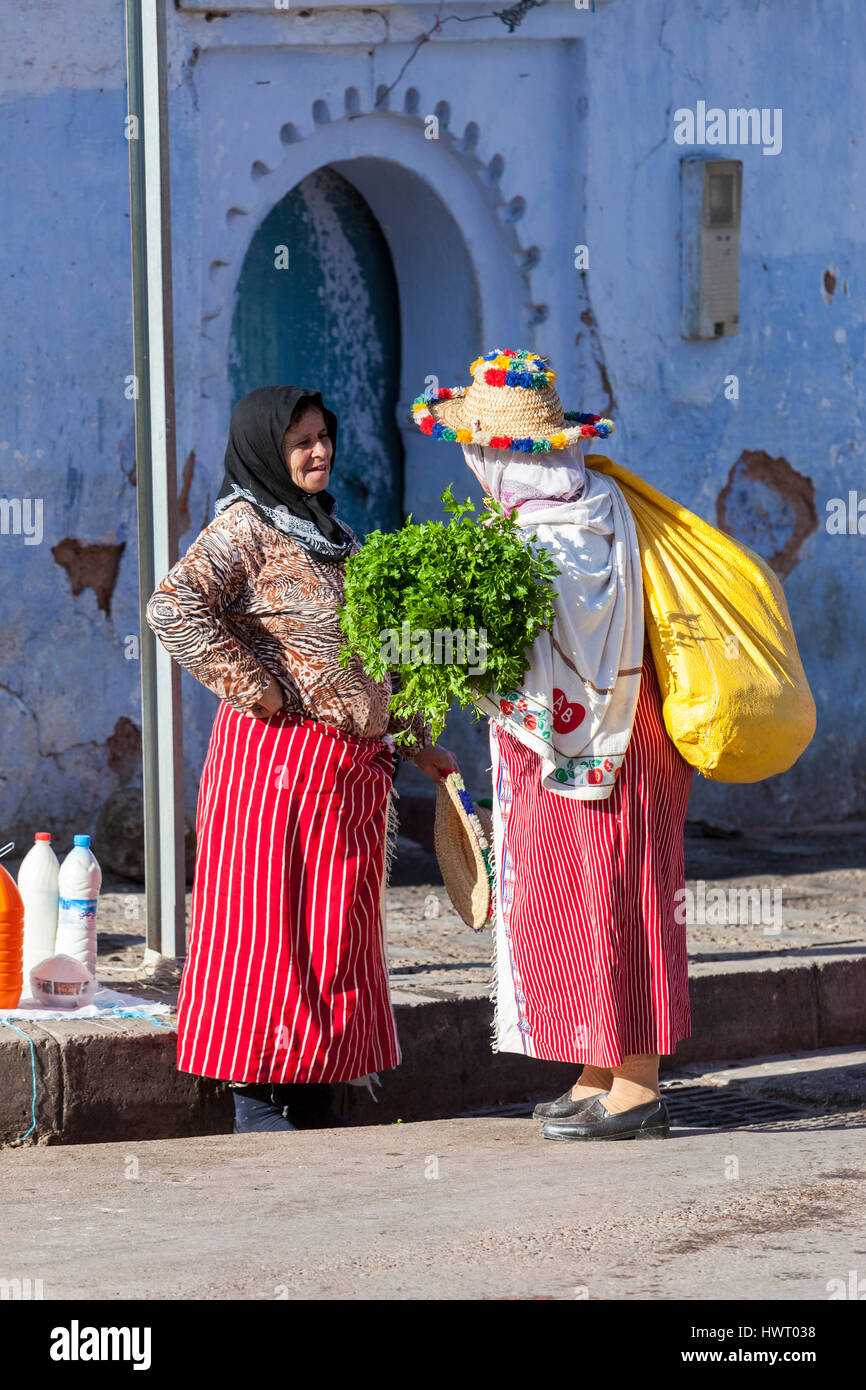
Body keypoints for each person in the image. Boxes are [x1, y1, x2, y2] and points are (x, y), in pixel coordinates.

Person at [147, 385, 457, 1133]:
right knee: (265, 936)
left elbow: (372, 658)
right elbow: (172, 608)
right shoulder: (243, 529)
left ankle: (314, 1099)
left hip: (345, 774)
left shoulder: (337, 536)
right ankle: (258, 1111)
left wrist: (415, 739)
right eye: (301, 442)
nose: (319, 453)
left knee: (330, 935)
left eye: (324, 437)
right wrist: (261, 691)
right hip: (271, 768)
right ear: (266, 451)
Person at [412, 349, 692, 1141]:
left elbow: (551, 663)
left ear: (500, 455)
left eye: (477, 448)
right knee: (579, 901)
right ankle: (596, 1067)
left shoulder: (552, 537)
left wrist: (456, 656)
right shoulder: (599, 502)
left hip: (606, 752)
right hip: (592, 747)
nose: (471, 462)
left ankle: (637, 1089)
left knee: (619, 900)